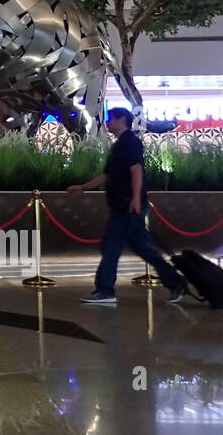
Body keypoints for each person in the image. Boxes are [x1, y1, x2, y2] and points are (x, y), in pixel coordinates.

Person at [67, 106, 186, 306]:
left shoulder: (130, 143)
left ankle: (105, 290)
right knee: (144, 248)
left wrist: (136, 199)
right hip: (122, 204)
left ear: (122, 119)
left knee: (111, 246)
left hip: (126, 206)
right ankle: (176, 283)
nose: (107, 122)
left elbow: (136, 170)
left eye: (110, 118)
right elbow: (107, 175)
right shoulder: (120, 145)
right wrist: (82, 187)